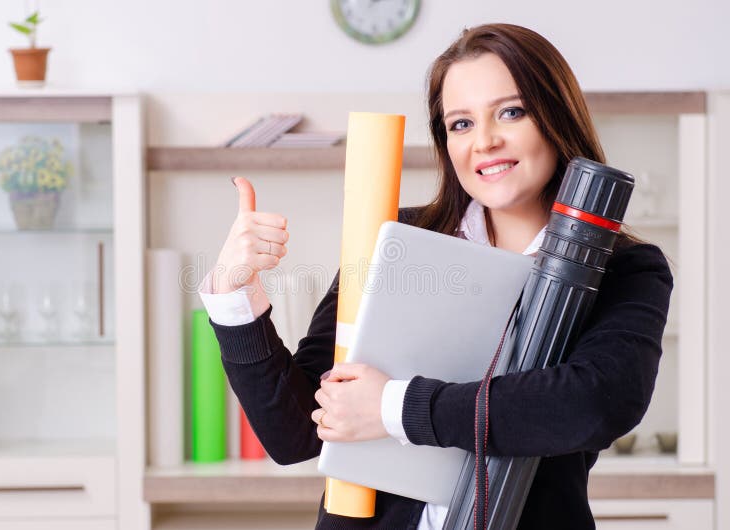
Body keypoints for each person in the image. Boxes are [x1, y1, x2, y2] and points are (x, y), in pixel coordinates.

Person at [198, 23, 673, 530]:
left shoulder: (624, 268)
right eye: (460, 124)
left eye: (511, 112)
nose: (485, 142)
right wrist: (236, 294)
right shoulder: (394, 240)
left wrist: (393, 406)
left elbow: (593, 403)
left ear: (555, 117)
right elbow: (296, 433)